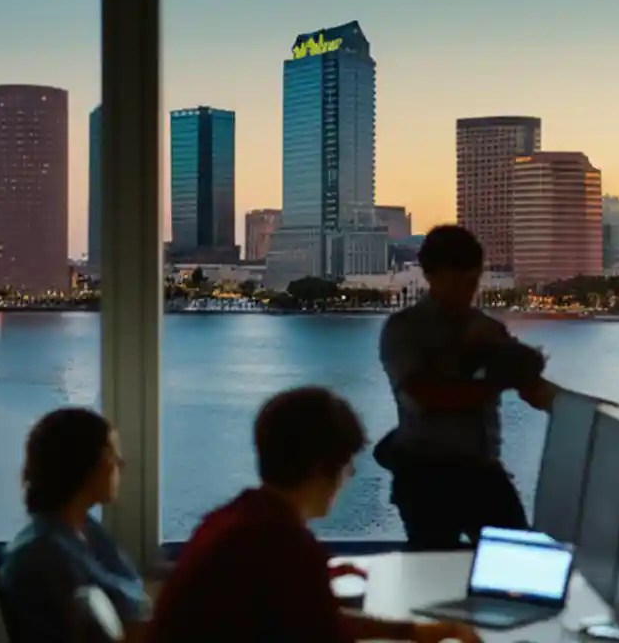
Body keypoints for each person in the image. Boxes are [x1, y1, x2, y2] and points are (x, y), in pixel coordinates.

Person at [147, 387, 480, 643]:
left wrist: (412, 632)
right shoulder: (284, 544)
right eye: (347, 464)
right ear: (323, 469)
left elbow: (319, 622)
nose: (350, 474)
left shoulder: (234, 518)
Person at [377, 225, 555, 550]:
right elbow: (424, 398)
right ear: (430, 275)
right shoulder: (404, 329)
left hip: (482, 469)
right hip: (425, 475)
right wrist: (495, 377)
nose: (465, 293)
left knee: (516, 558)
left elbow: (531, 380)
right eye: (456, 283)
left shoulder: (485, 327)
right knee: (433, 566)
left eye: (471, 283)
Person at [0, 408, 151, 643]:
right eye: (111, 455)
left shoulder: (86, 531)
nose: (121, 463)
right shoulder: (44, 555)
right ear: (84, 464)